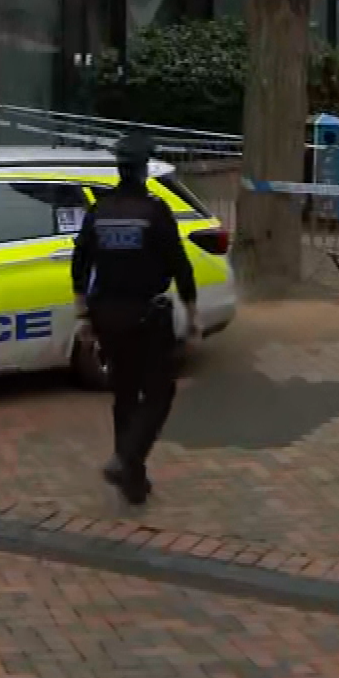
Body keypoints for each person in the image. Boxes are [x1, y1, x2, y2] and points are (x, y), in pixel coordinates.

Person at [69, 133, 197, 506]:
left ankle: (133, 482)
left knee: (124, 394)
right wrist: (192, 315)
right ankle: (125, 457)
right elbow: (179, 265)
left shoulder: (99, 210)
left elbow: (80, 266)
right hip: (146, 316)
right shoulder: (155, 212)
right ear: (144, 170)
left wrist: (84, 316)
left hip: (107, 314)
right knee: (159, 393)